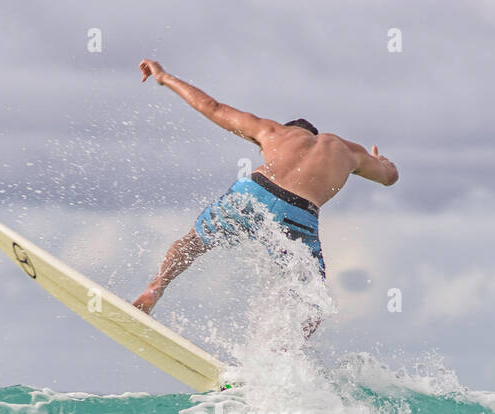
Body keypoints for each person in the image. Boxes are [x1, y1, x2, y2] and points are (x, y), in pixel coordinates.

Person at [131, 59, 398, 335]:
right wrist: (381, 161)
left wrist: (164, 77)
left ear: (293, 130)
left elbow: (212, 107)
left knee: (192, 243)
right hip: (298, 213)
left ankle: (155, 289)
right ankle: (280, 356)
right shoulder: (351, 153)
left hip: (253, 192)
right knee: (313, 302)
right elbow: (390, 177)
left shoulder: (272, 132)